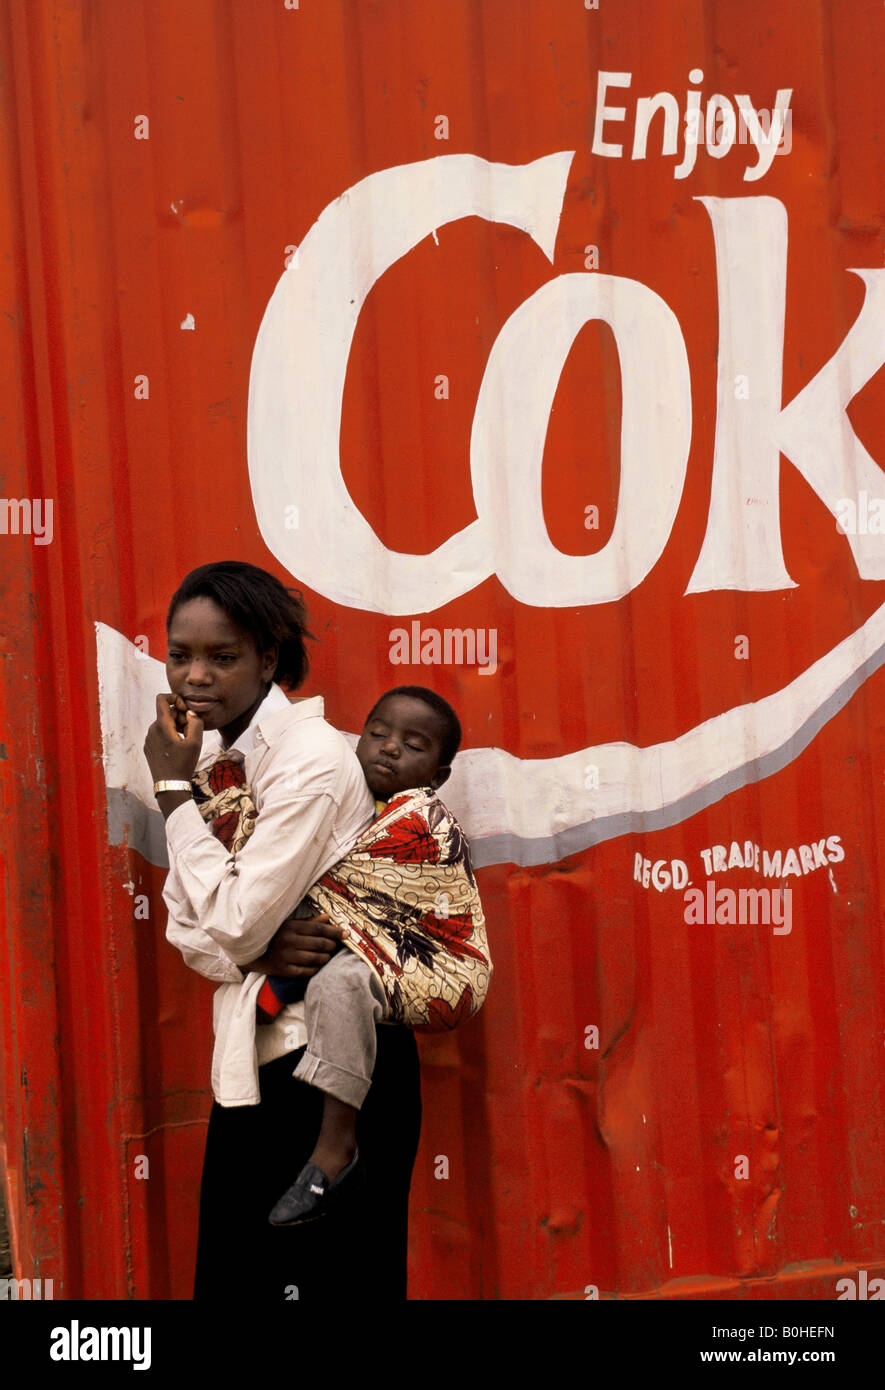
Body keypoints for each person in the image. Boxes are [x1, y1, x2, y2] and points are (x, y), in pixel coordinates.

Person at [143, 560, 422, 1301]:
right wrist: (255, 949)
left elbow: (227, 924)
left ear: (269, 658)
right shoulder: (213, 763)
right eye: (180, 654)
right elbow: (188, 932)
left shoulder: (313, 762)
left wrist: (172, 794)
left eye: (221, 656)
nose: (195, 676)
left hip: (330, 1070)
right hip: (253, 1064)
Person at [236, 686, 491, 1226]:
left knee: (338, 978)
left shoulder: (423, 821)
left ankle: (334, 1148)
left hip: (433, 965)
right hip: (347, 977)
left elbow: (333, 879)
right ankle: (277, 995)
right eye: (377, 734)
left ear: (438, 775)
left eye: (413, 744)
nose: (390, 748)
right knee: (329, 957)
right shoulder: (334, 798)